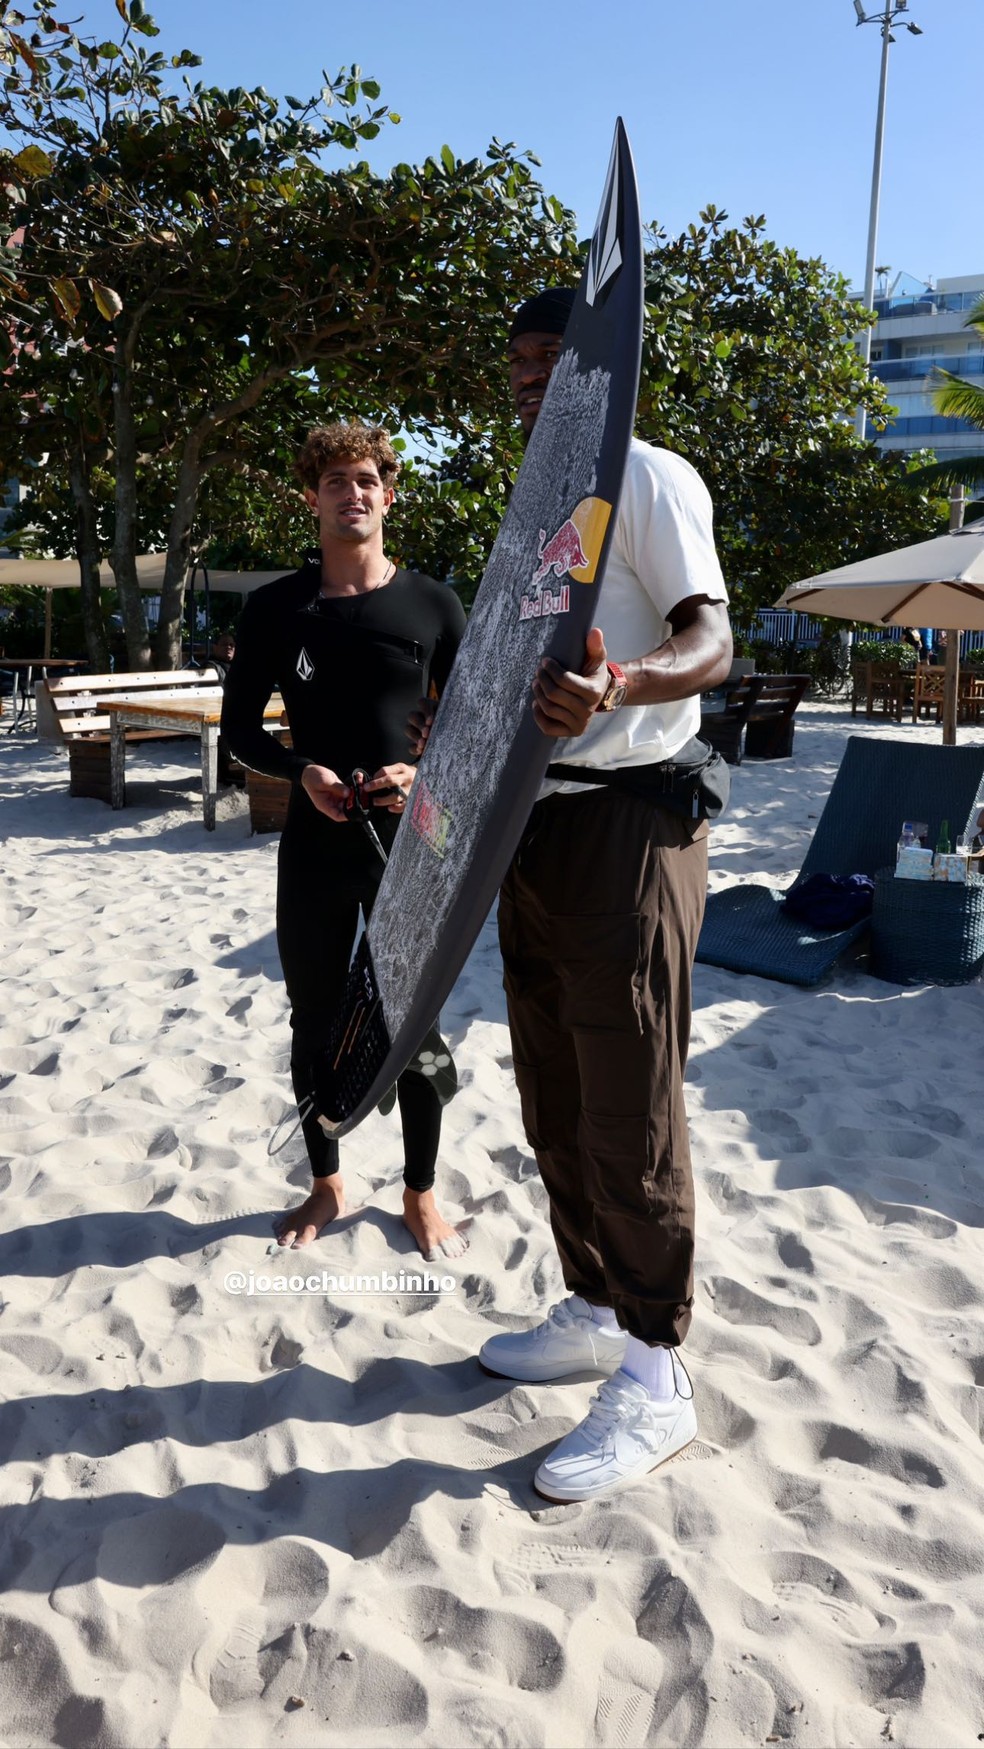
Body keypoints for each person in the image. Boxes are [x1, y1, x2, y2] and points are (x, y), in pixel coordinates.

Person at [464, 286, 731, 1501]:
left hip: (631, 820)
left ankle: (657, 1372)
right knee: (555, 1092)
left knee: (629, 1102)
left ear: (602, 369)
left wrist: (618, 686)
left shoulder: (648, 475)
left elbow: (712, 642)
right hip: (536, 824)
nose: (530, 378)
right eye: (517, 363)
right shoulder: (539, 509)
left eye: (552, 359)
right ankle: (593, 1305)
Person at [221, 421, 468, 1261]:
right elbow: (240, 731)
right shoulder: (276, 608)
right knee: (314, 1018)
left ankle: (419, 1192)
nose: (351, 493)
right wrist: (301, 770)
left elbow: (477, 728)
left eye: (365, 480)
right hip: (316, 842)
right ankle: (327, 1183)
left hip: (410, 842)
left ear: (388, 495)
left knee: (416, 1022)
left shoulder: (434, 604)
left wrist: (420, 773)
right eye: (334, 481)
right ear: (311, 498)